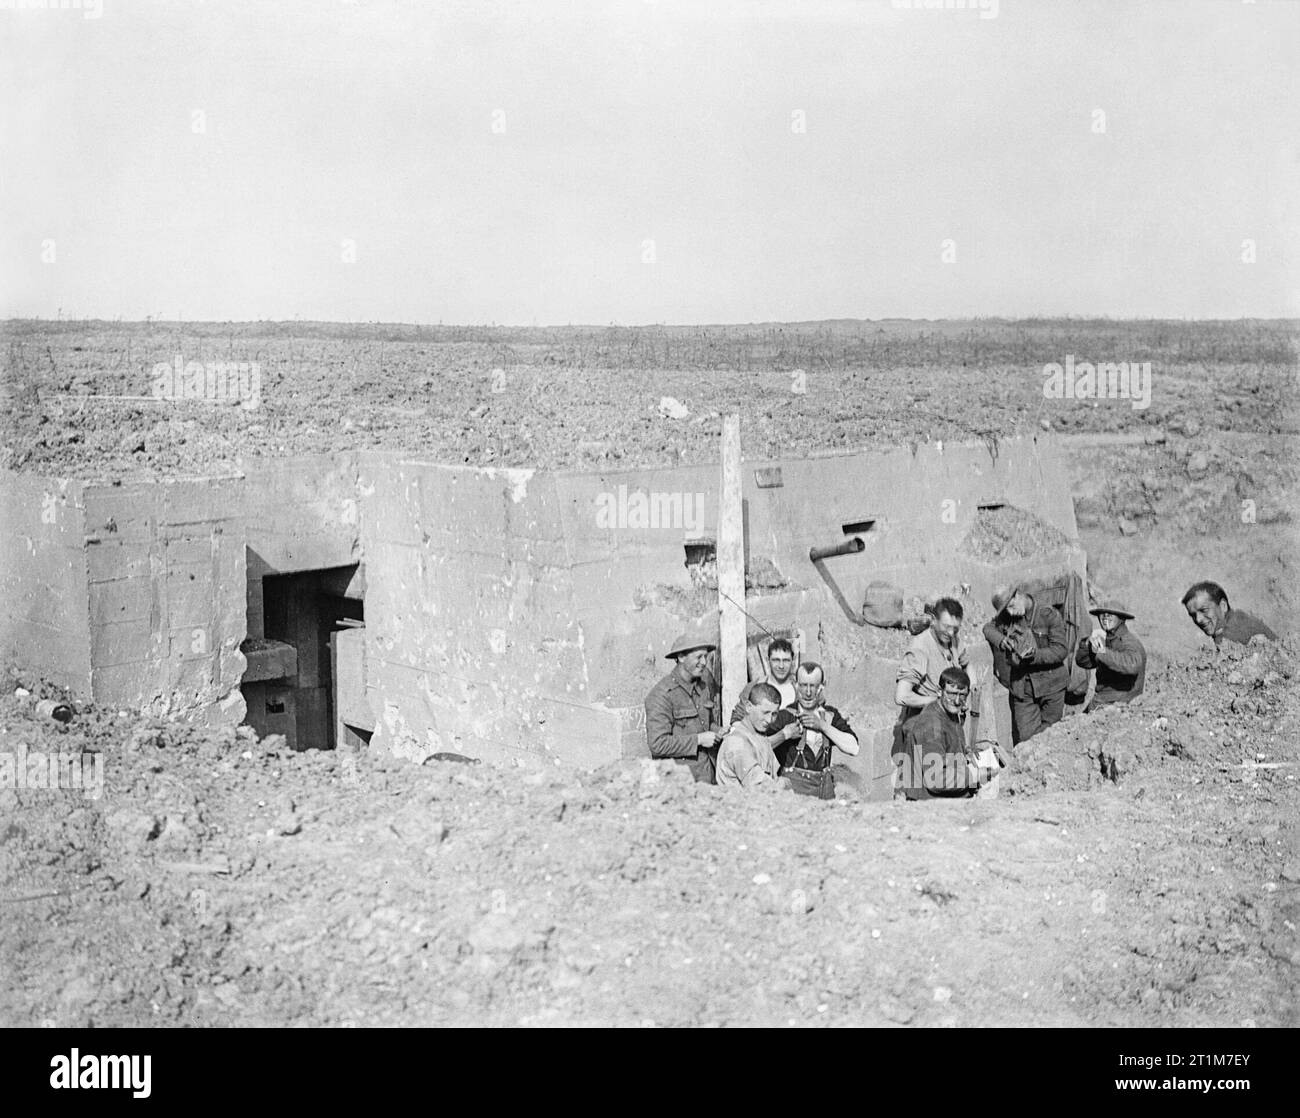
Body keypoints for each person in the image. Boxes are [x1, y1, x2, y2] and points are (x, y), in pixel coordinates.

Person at [982, 584, 1068, 744]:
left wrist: (1035, 655)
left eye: (1011, 606)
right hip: (1022, 688)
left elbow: (1061, 650)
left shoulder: (1047, 614)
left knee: (1052, 736)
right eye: (1006, 609)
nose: (1010, 612)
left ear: (1018, 595)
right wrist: (1001, 640)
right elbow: (988, 628)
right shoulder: (1007, 615)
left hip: (1051, 686)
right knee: (1026, 741)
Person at [896, 667, 996, 800]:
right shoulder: (931, 727)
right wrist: (975, 775)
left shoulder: (949, 711)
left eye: (962, 695)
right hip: (928, 802)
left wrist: (965, 753)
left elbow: (948, 746)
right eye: (951, 694)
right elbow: (935, 780)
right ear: (939, 691)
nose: (956, 701)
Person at [644, 629, 723, 783]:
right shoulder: (662, 695)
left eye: (705, 656)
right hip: (679, 780)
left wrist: (717, 730)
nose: (704, 663)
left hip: (708, 773)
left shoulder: (702, 687)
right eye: (698, 657)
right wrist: (698, 740)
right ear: (681, 657)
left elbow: (704, 723)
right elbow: (657, 744)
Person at [767, 661, 859, 772]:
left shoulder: (829, 715)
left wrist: (822, 726)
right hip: (790, 788)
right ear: (796, 684)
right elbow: (757, 748)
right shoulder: (784, 716)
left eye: (813, 686)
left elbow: (854, 749)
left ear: (822, 686)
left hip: (823, 787)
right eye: (803, 685)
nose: (808, 692)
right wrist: (784, 735)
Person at [895, 597, 970, 722]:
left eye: (955, 629)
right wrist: (940, 701)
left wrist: (968, 694)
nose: (951, 633)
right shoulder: (920, 648)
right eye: (946, 627)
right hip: (924, 722)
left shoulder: (953, 639)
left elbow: (966, 663)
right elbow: (901, 696)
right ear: (934, 621)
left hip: (948, 721)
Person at [1075, 601, 1146, 709]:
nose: (1105, 617)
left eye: (1110, 615)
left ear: (1121, 619)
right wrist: (1087, 643)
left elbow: (1132, 665)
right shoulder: (1107, 639)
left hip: (1120, 703)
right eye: (1102, 614)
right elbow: (1083, 662)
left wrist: (1102, 652)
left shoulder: (1129, 642)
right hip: (1104, 700)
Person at [716, 683, 786, 790]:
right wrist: (785, 783)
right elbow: (763, 788)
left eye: (774, 714)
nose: (769, 720)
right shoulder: (737, 743)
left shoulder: (759, 736)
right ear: (748, 707)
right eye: (765, 712)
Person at [1181, 581, 1278, 647]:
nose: (1198, 619)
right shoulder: (1238, 618)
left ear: (1223, 606)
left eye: (1204, 610)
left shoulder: (1228, 638)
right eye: (1193, 615)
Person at [729, 637, 797, 723]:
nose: (781, 666)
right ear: (768, 660)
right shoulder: (753, 687)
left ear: (792, 661)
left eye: (786, 660)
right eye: (776, 660)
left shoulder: (800, 689)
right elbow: (737, 718)